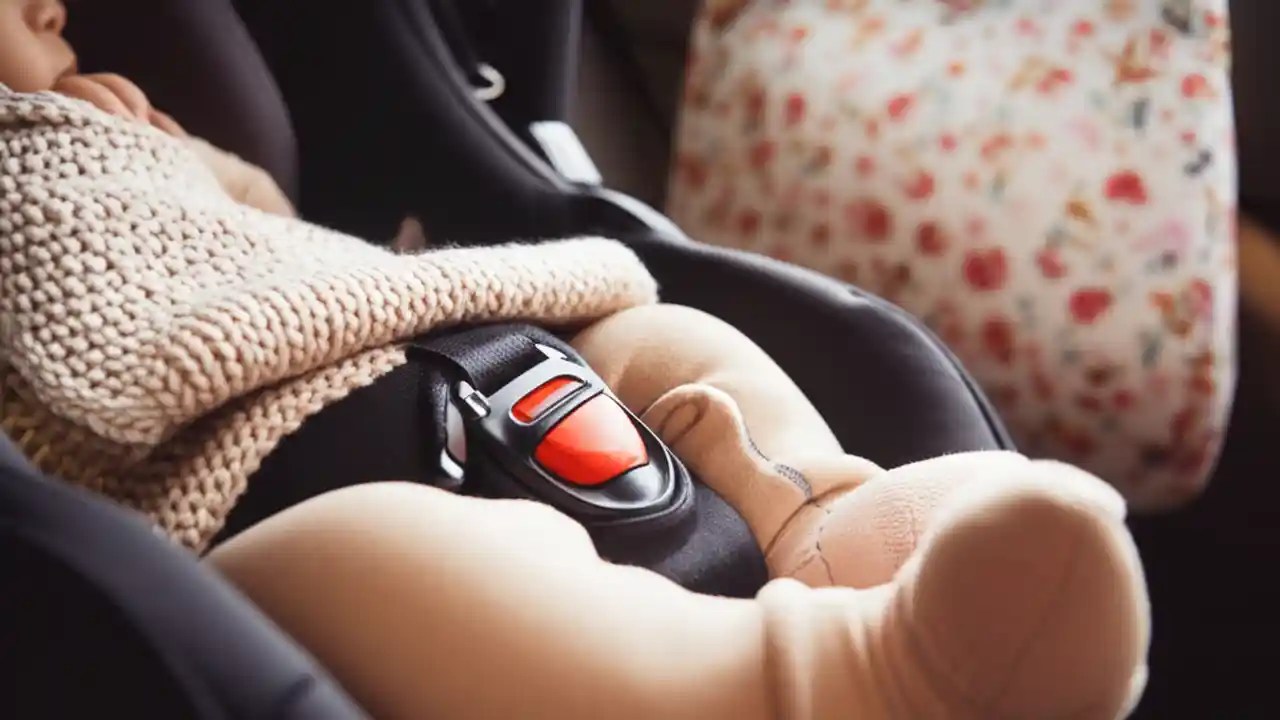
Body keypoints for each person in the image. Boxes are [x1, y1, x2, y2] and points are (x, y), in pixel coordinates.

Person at [0, 1, 1151, 718]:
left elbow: (267, 232)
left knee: (678, 345)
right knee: (383, 567)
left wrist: (175, 154)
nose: (50, 11)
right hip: (255, 492)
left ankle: (831, 522)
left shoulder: (123, 135)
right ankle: (831, 683)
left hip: (430, 335)